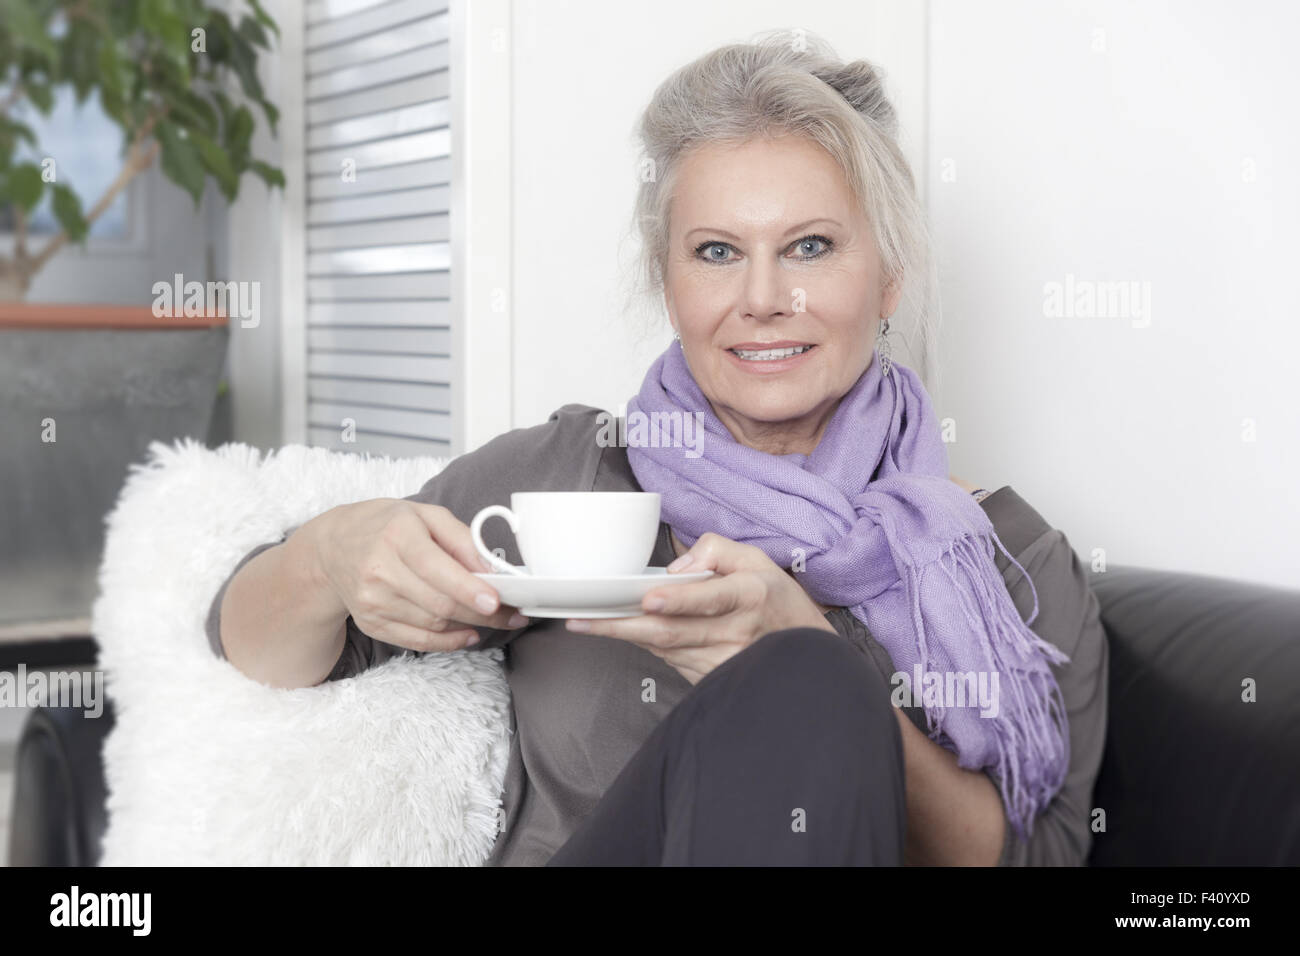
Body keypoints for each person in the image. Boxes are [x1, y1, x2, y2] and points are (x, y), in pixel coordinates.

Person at [206, 32, 1108, 866]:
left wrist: (803, 649)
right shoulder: (567, 478)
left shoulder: (1009, 564)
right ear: (664, 278)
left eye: (810, 247)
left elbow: (1041, 856)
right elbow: (247, 640)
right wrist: (329, 558)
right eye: (716, 251)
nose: (762, 298)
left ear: (889, 274)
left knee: (808, 679)